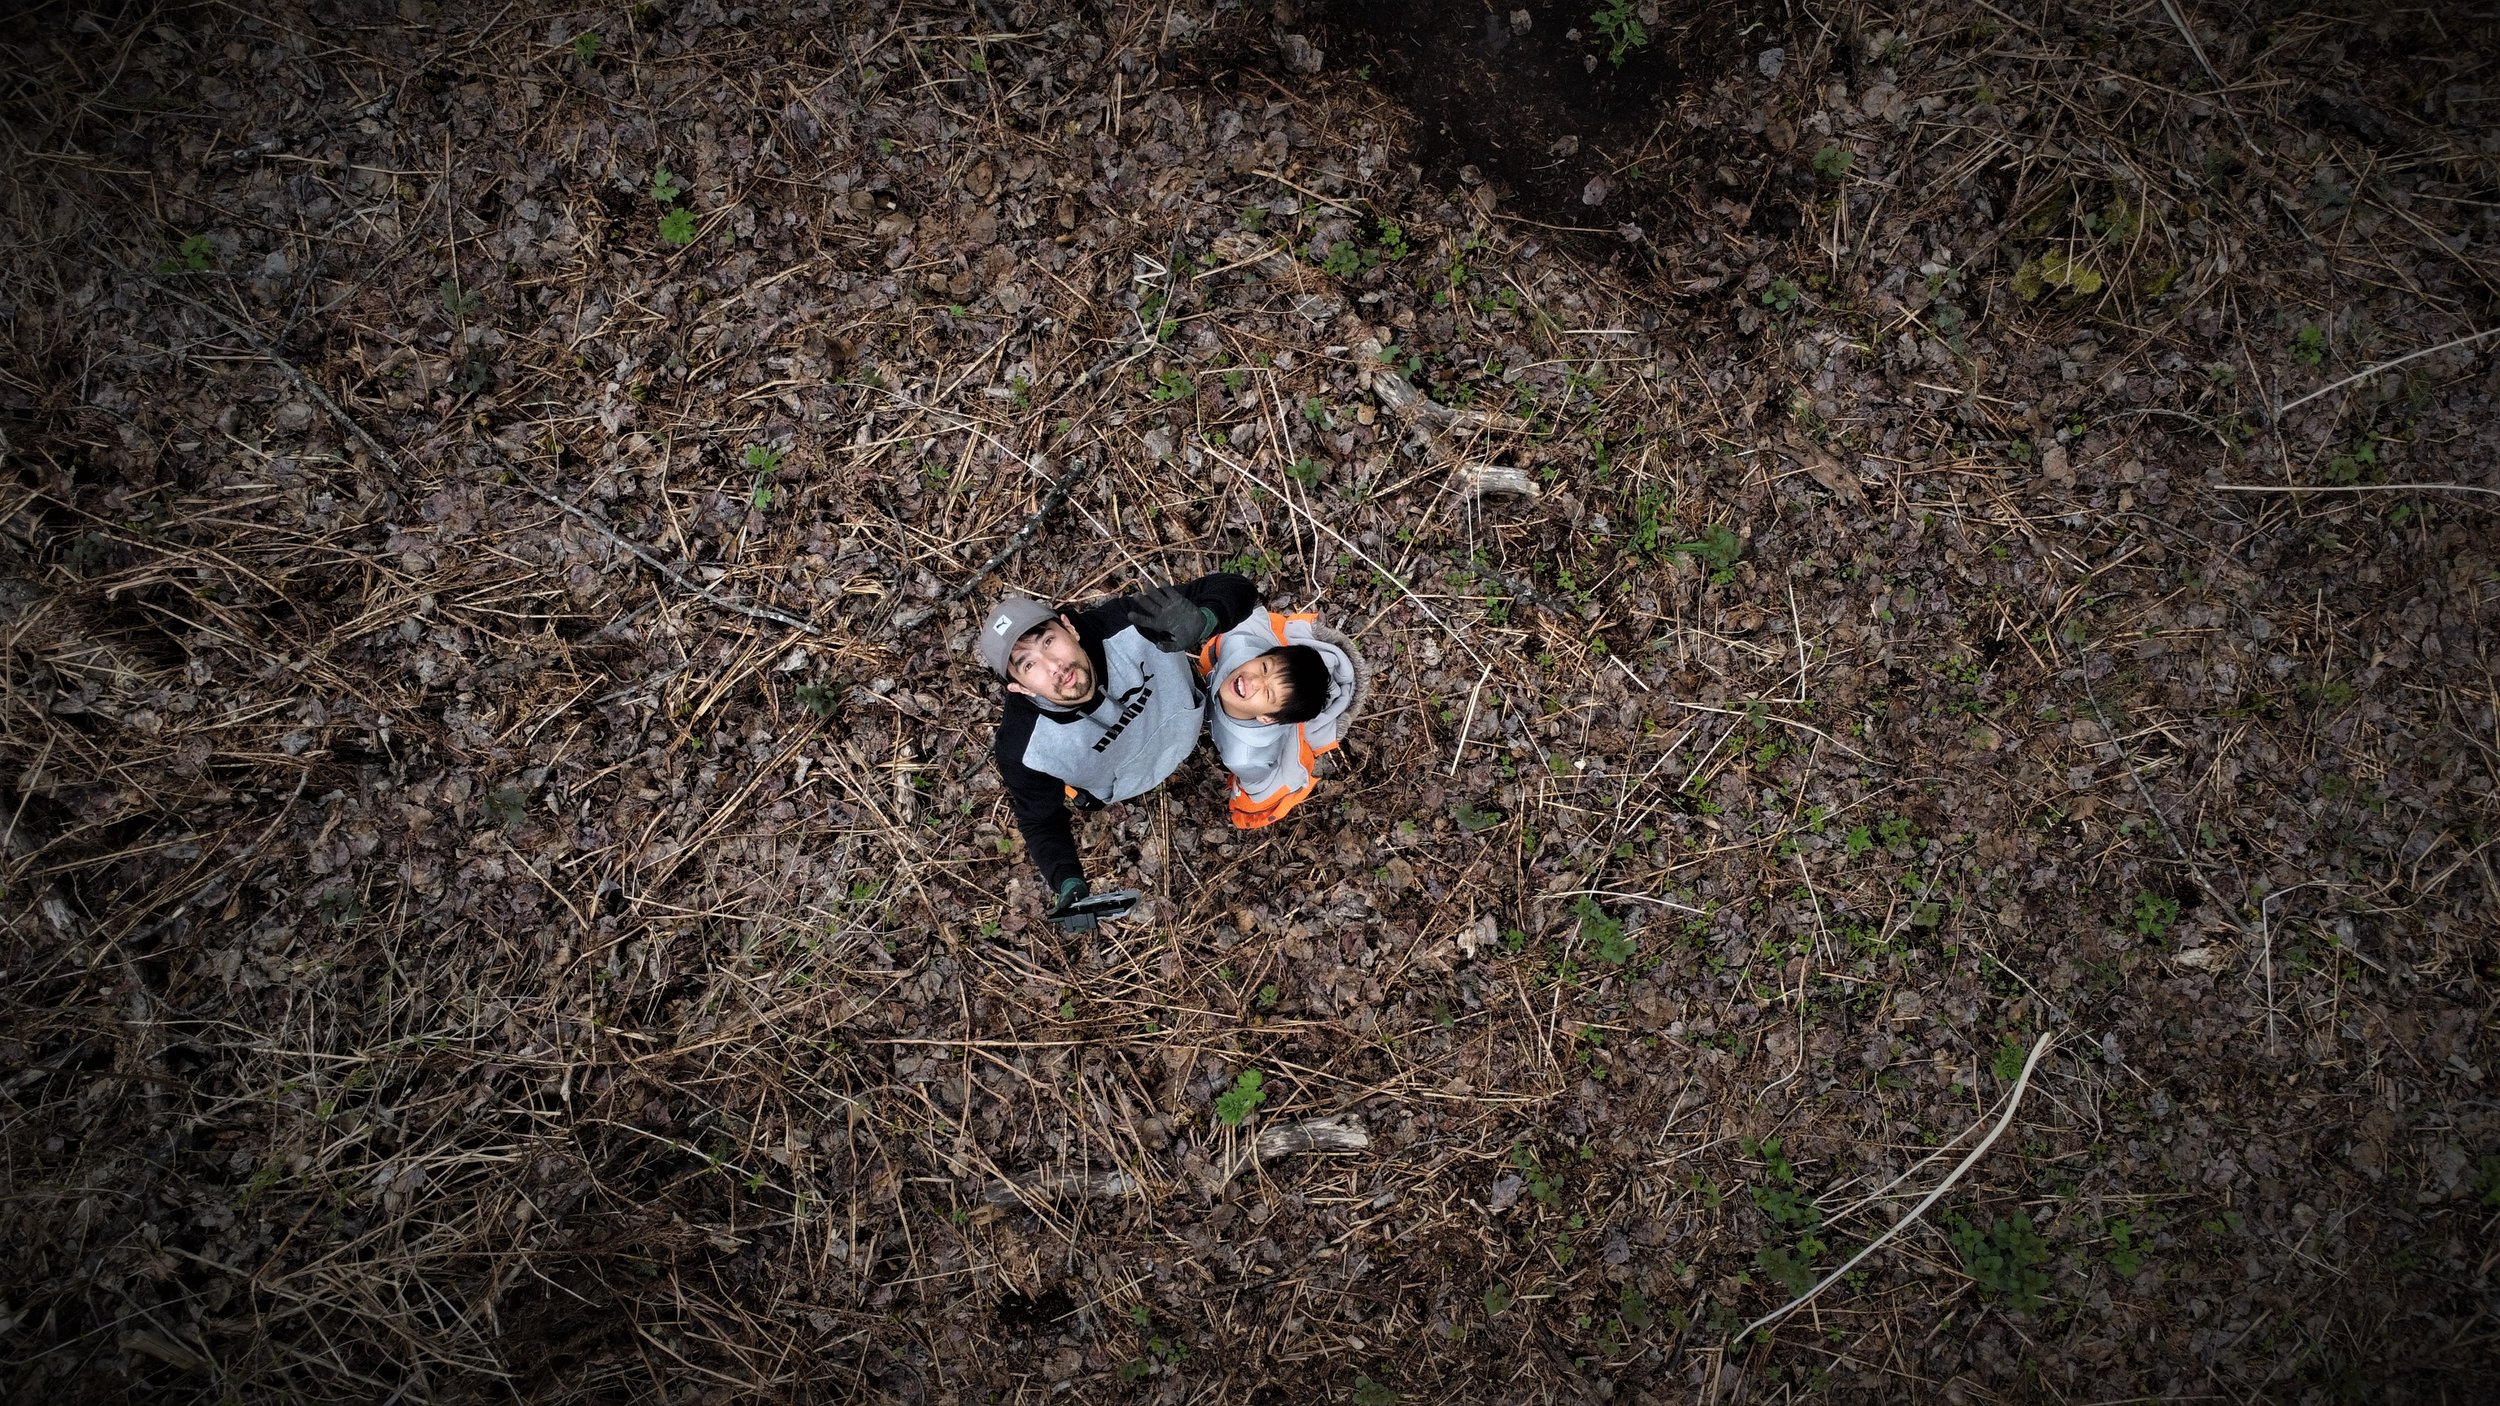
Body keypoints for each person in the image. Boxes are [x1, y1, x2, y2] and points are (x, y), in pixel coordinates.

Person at [982, 573, 1256, 929]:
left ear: (1070, 627)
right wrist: (1067, 881)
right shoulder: (1023, 747)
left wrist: (1205, 619)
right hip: (1120, 788)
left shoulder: (1129, 623)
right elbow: (1040, 820)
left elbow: (1240, 588)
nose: (1055, 666)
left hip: (1192, 728)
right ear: (1018, 688)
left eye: (1049, 641)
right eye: (1029, 664)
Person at [1199, 608, 1364, 829]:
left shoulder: (1246, 757)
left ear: (1266, 718)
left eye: (1268, 694)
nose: (1254, 681)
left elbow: (1258, 788)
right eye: (1264, 667)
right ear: (1263, 654)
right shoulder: (1239, 640)